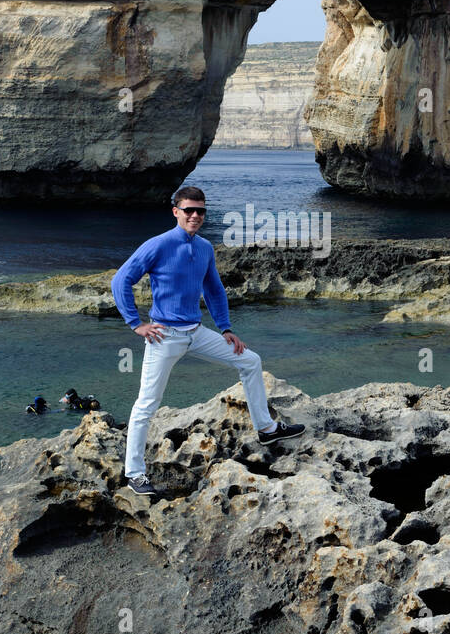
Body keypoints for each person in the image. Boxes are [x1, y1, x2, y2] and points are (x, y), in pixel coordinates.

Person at [111, 186, 306, 496]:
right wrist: (136, 324)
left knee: (250, 360)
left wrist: (226, 328)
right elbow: (120, 280)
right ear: (176, 211)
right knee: (147, 404)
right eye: (188, 210)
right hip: (164, 337)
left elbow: (214, 290)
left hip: (196, 333)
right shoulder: (157, 245)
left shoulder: (204, 248)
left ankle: (267, 429)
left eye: (200, 210)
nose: (194, 215)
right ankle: (134, 474)